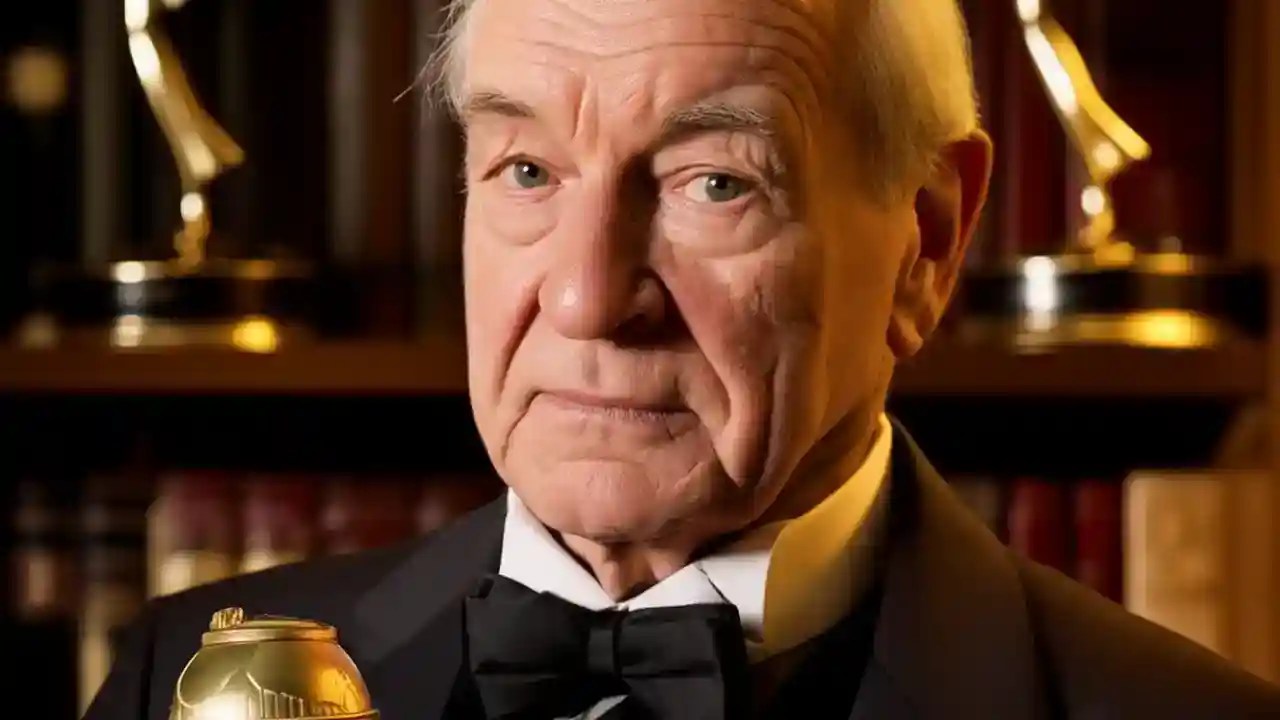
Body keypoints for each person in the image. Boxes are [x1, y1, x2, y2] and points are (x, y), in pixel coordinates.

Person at [86, 0, 1280, 717]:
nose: (586, 296)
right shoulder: (188, 684)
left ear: (922, 242)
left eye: (714, 184)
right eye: (526, 172)